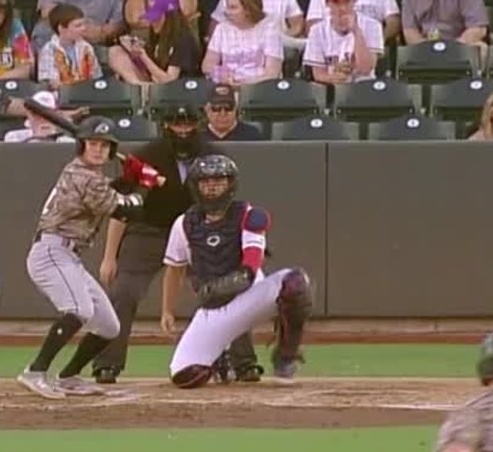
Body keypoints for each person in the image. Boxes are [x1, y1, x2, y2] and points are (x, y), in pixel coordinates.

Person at [93, 106, 260, 385]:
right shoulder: (146, 156)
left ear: (198, 124)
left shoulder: (213, 155)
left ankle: (244, 362)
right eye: (176, 123)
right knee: (124, 292)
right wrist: (109, 256)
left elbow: (226, 203)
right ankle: (106, 363)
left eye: (188, 123)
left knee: (225, 288)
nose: (183, 129)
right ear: (166, 125)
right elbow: (122, 207)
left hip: (197, 228)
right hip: (149, 229)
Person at [18, 117, 160, 399]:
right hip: (51, 251)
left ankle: (69, 376)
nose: (98, 150)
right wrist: (145, 184)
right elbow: (126, 211)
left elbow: (111, 191)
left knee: (109, 326)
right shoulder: (82, 175)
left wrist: (131, 178)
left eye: (104, 146)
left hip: (69, 256)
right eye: (93, 144)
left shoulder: (90, 177)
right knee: (78, 310)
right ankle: (35, 371)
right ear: (82, 146)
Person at [159, 154, 313, 387]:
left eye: (218, 180)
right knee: (186, 376)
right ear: (196, 186)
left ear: (230, 184)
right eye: (205, 182)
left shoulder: (249, 215)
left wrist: (223, 285)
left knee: (295, 283)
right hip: (214, 309)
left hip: (251, 296)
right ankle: (220, 357)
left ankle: (286, 355)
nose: (212, 187)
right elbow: (174, 269)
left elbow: (250, 266)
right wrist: (167, 311)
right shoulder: (184, 223)